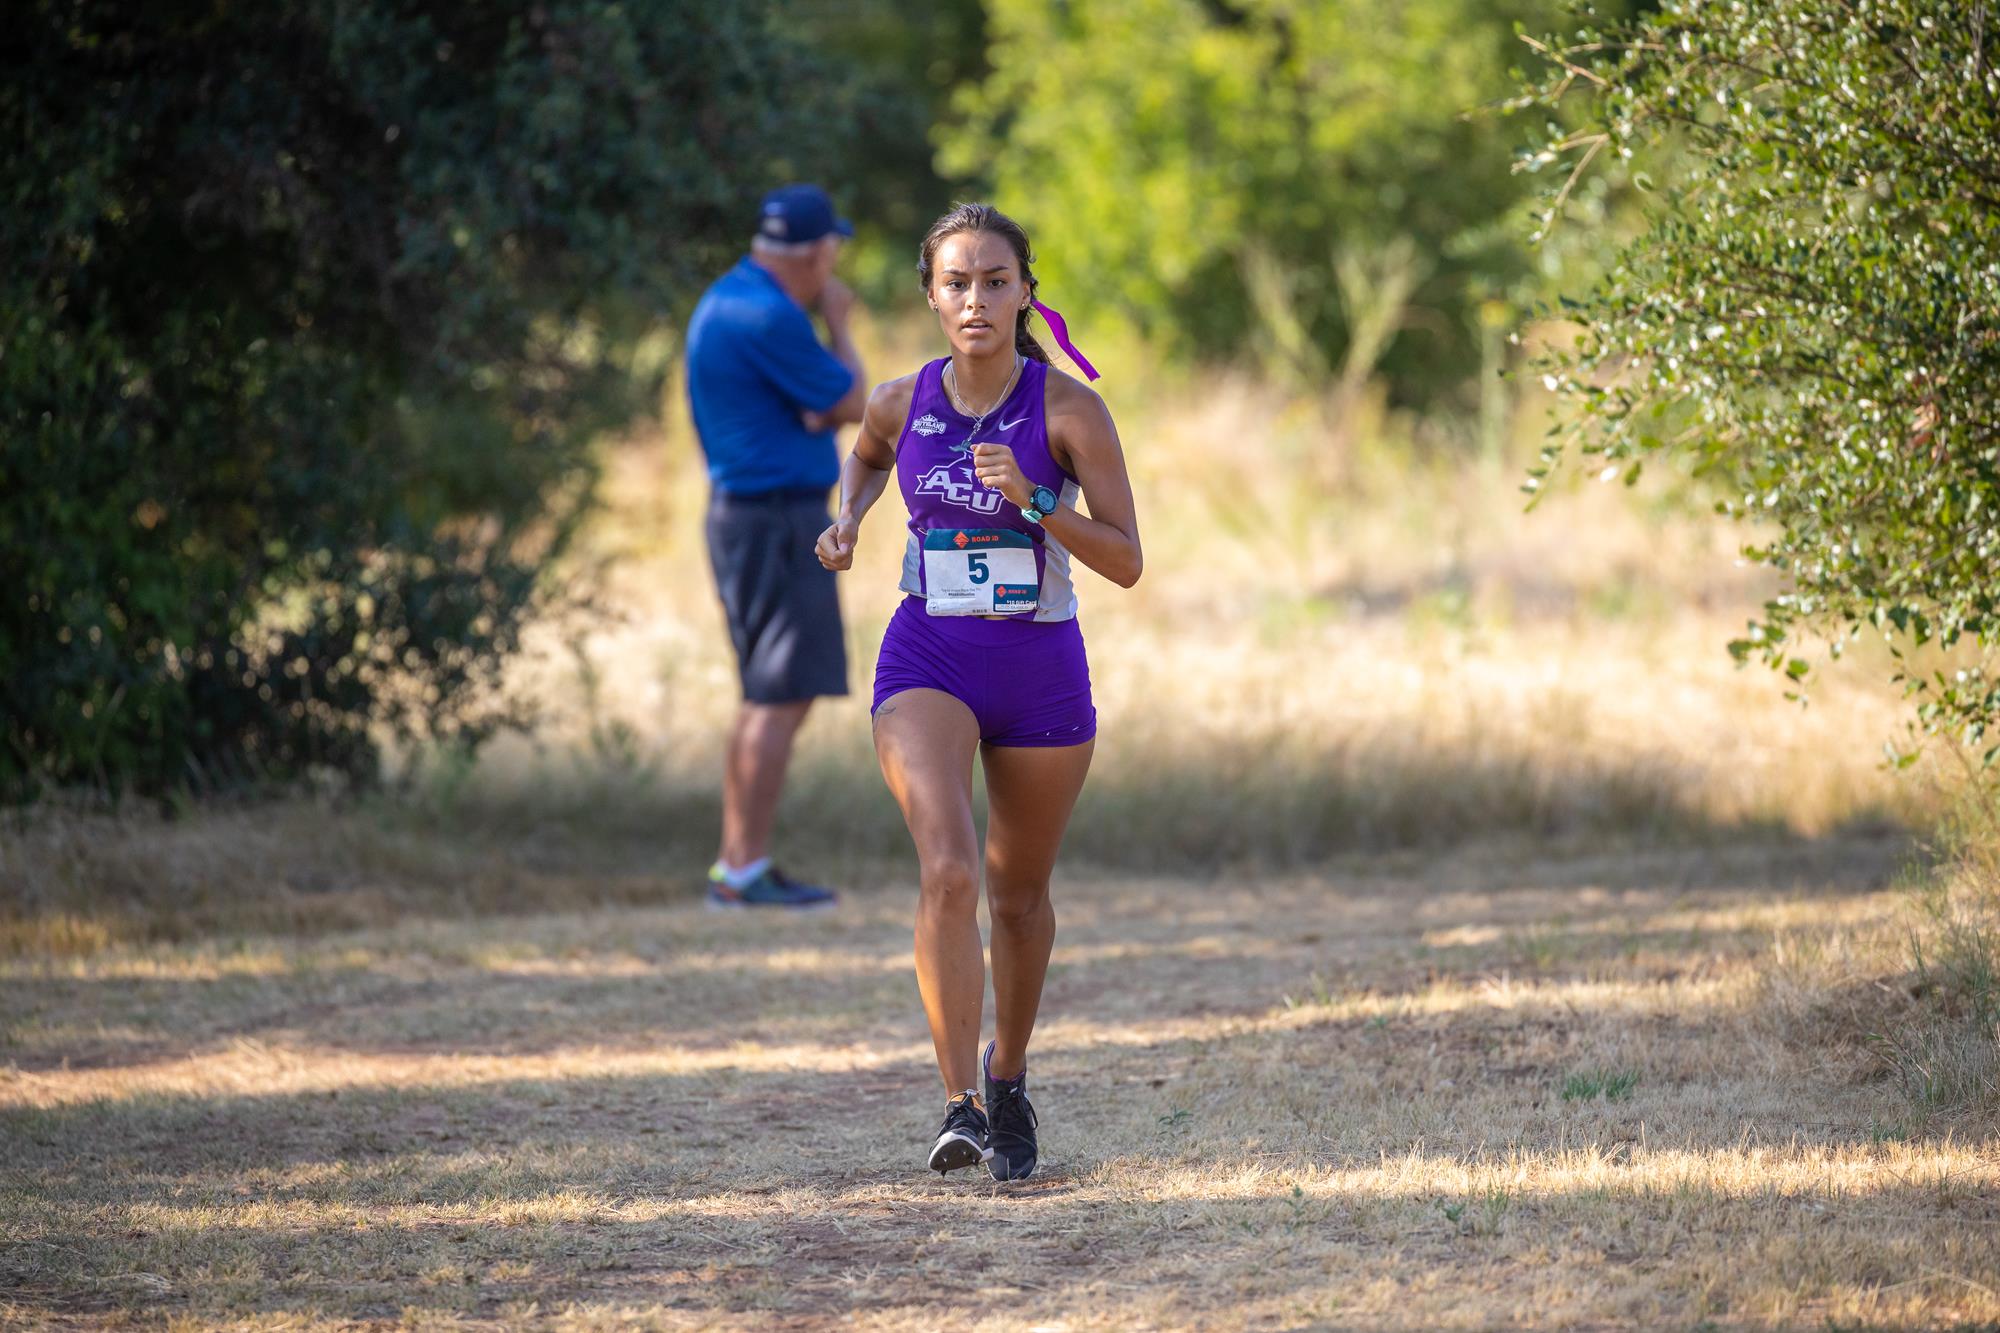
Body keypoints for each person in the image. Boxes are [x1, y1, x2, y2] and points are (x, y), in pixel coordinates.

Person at [815, 203, 1142, 1179]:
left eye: (994, 281)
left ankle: (1009, 1075)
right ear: (930, 297)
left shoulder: (1067, 411)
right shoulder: (897, 399)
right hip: (930, 658)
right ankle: (958, 1103)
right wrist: (848, 519)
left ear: (1024, 293)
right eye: (955, 282)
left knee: (1018, 896)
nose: (975, 300)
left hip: (1038, 663)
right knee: (948, 870)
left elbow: (1125, 561)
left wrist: (1035, 500)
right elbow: (867, 456)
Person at [686, 184, 867, 910]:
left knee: (767, 692)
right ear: (819, 254)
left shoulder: (730, 299)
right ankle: (742, 870)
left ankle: (738, 864)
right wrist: (840, 324)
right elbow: (853, 402)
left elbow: (820, 405)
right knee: (779, 695)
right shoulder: (770, 314)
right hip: (777, 520)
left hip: (749, 517)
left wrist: (816, 403)